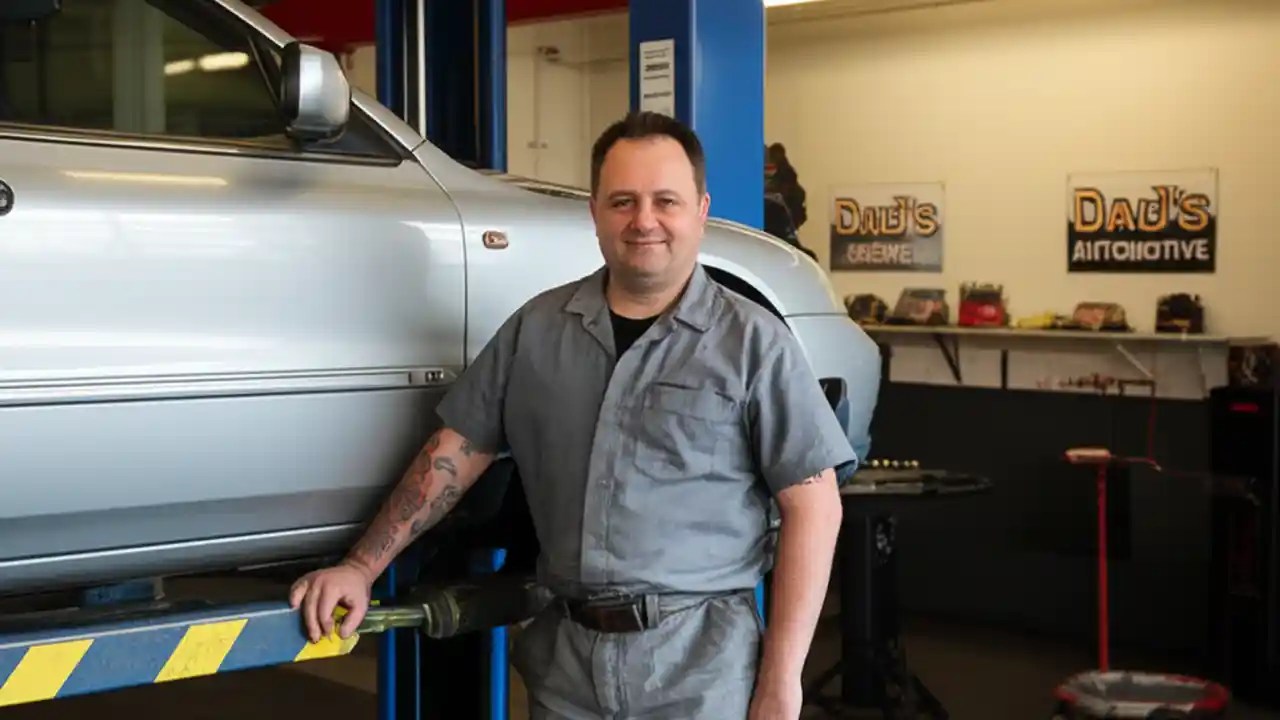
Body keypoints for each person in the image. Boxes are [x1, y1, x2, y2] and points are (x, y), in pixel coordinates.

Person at [289, 111, 856, 720]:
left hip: (702, 668)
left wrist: (781, 681)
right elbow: (456, 451)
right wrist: (361, 566)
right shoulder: (537, 329)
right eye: (622, 201)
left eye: (666, 200)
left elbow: (814, 506)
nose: (644, 221)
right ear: (594, 211)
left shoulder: (754, 343)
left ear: (700, 210)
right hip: (568, 666)